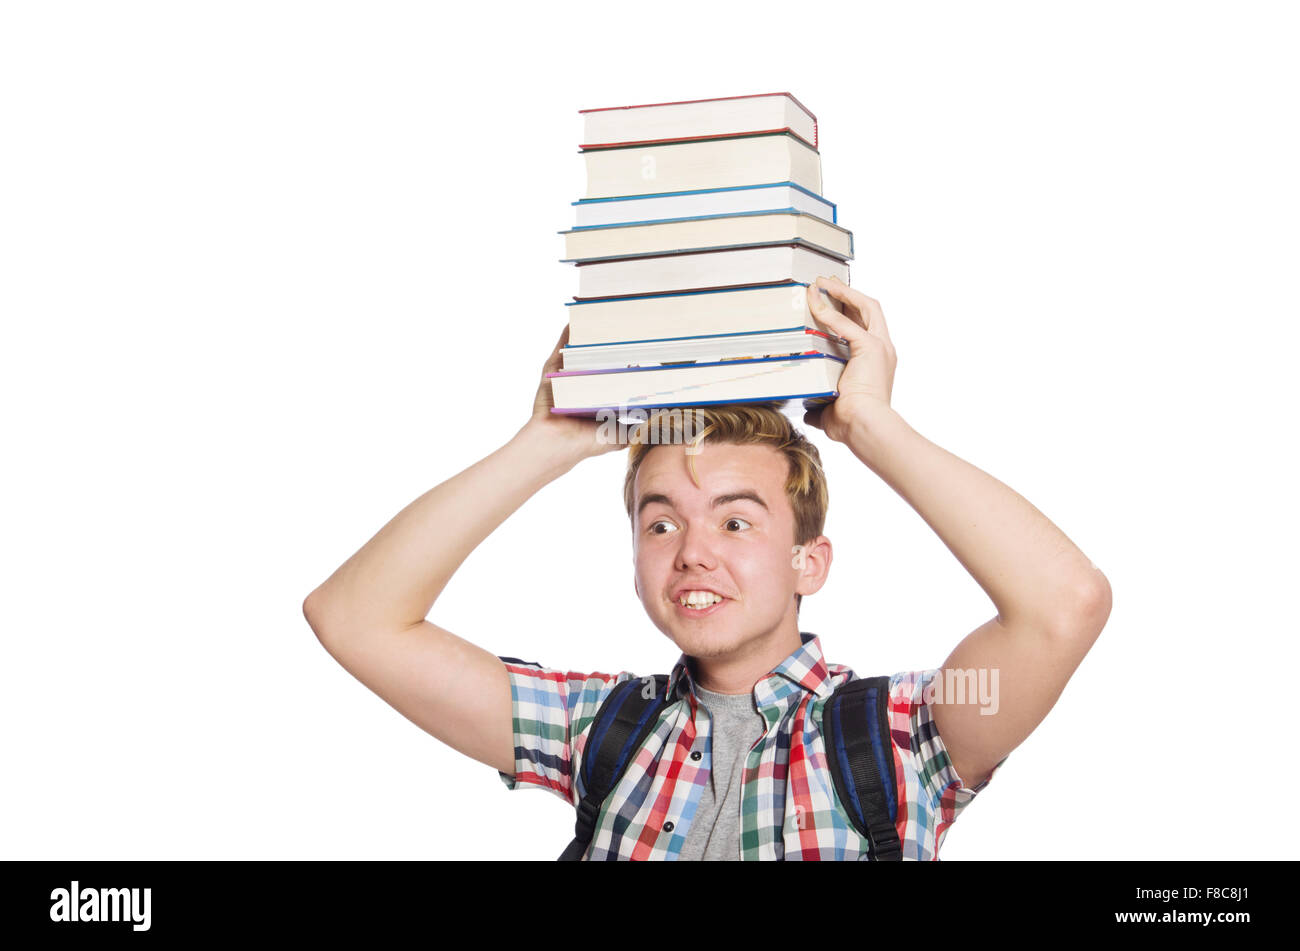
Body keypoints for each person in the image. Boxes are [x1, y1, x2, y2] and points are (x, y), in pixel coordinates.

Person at [303, 276, 1112, 860]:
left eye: (735, 519)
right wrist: (547, 441)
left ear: (810, 560)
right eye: (661, 521)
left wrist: (870, 424)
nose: (692, 550)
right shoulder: (603, 728)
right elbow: (354, 618)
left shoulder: (899, 731)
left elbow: (1064, 604)